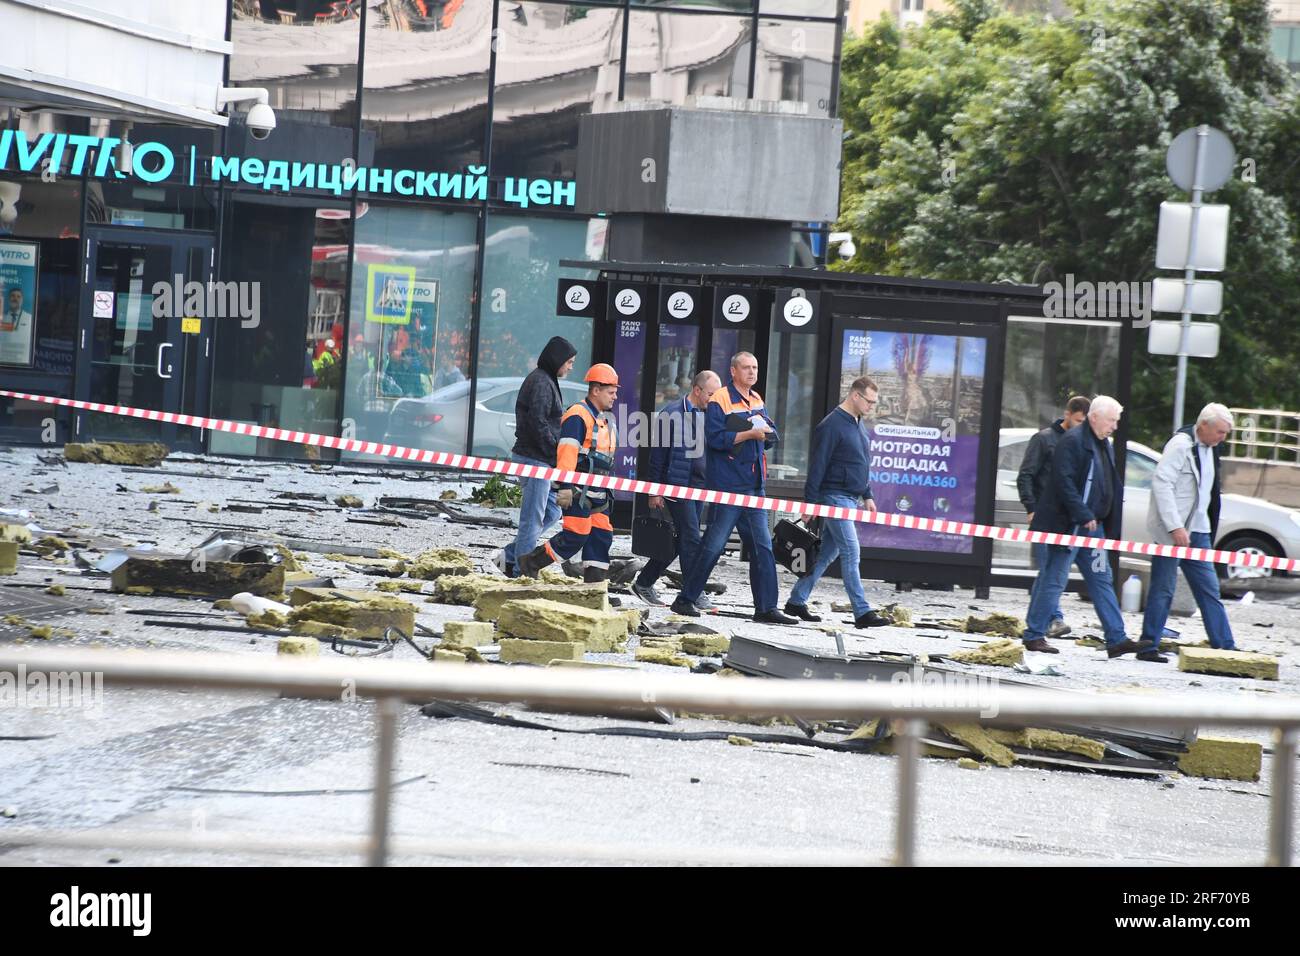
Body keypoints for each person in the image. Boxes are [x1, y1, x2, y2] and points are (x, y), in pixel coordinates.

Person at [670, 352, 796, 625]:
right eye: (746, 368)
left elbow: (769, 435)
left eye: (755, 367)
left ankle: (766, 608)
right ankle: (685, 599)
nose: (752, 372)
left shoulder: (756, 399)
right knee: (713, 546)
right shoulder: (720, 400)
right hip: (729, 486)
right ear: (733, 371)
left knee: (763, 548)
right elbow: (715, 439)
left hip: (754, 485)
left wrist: (767, 434)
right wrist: (750, 433)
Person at [1020, 395, 1150, 658]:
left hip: (1093, 527)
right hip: (1070, 525)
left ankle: (1116, 638)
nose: (1114, 426)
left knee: (1102, 580)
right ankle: (1034, 635)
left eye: (1116, 421)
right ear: (1094, 418)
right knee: (1054, 579)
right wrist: (1082, 513)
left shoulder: (1102, 443)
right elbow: (1063, 482)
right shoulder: (1072, 441)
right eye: (1111, 420)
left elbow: (1105, 482)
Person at [784, 377, 892, 629]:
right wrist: (810, 503)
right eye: (869, 401)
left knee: (825, 556)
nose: (872, 407)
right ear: (855, 395)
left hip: (849, 498)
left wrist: (867, 494)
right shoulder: (831, 425)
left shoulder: (856, 423)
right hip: (834, 498)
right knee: (851, 551)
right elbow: (817, 466)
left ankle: (796, 601)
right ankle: (862, 612)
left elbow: (859, 462)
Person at [1139, 403, 1238, 661]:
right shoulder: (1180, 445)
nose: (1222, 438)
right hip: (1174, 532)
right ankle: (1148, 645)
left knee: (1209, 589)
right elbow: (1162, 483)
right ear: (1203, 425)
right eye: (1219, 432)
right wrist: (1175, 526)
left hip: (1199, 531)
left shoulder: (1211, 448)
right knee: (1163, 589)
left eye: (1225, 433)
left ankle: (1224, 646)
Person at [517, 364, 620, 581]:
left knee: (601, 535)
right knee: (576, 534)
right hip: (576, 489)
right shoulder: (578, 415)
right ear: (596, 390)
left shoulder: (603, 418)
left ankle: (594, 589)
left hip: (598, 490)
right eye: (611, 392)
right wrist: (564, 486)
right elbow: (567, 452)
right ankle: (531, 562)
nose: (615, 397)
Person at [631, 369, 722, 608]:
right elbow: (657, 457)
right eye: (711, 394)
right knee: (691, 538)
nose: (714, 399)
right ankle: (694, 592)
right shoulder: (671, 414)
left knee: (680, 540)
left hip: (700, 487)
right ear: (697, 390)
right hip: (677, 487)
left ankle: (644, 581)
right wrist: (655, 490)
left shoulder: (709, 416)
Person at [494, 336, 577, 577]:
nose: (570, 367)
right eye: (569, 362)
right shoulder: (542, 382)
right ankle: (523, 572)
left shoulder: (546, 379)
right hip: (535, 460)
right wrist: (557, 452)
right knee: (532, 519)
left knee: (551, 512)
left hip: (537, 459)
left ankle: (509, 556)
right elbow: (538, 423)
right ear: (557, 360)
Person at [1016, 395, 1091, 638]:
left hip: (1068, 520)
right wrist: (1031, 508)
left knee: (1051, 572)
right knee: (1050, 570)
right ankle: (1053, 618)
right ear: (1068, 414)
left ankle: (1039, 621)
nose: (1081, 426)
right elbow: (1026, 475)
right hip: (1045, 517)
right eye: (1079, 420)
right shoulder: (1044, 439)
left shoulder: (1081, 442)